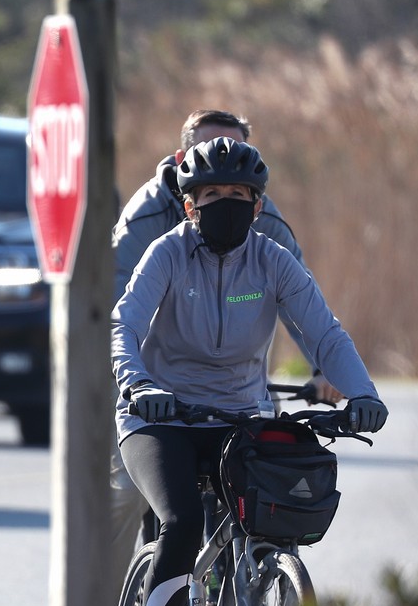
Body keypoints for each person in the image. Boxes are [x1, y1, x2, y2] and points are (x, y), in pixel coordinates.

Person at [111, 136, 387, 606]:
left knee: (266, 521)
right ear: (189, 205)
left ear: (259, 205)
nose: (225, 205)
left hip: (240, 418)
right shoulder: (166, 255)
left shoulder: (272, 262)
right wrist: (136, 383)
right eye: (212, 196)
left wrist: (361, 394)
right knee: (181, 523)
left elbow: (324, 333)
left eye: (239, 196)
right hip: (160, 419)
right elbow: (126, 325)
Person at [109, 109, 341, 574]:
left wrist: (324, 371)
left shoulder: (264, 219)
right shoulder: (148, 217)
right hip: (152, 380)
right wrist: (135, 382)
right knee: (125, 496)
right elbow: (120, 312)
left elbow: (302, 307)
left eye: (237, 158)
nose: (225, 171)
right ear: (182, 161)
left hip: (236, 387)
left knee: (264, 490)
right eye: (210, 162)